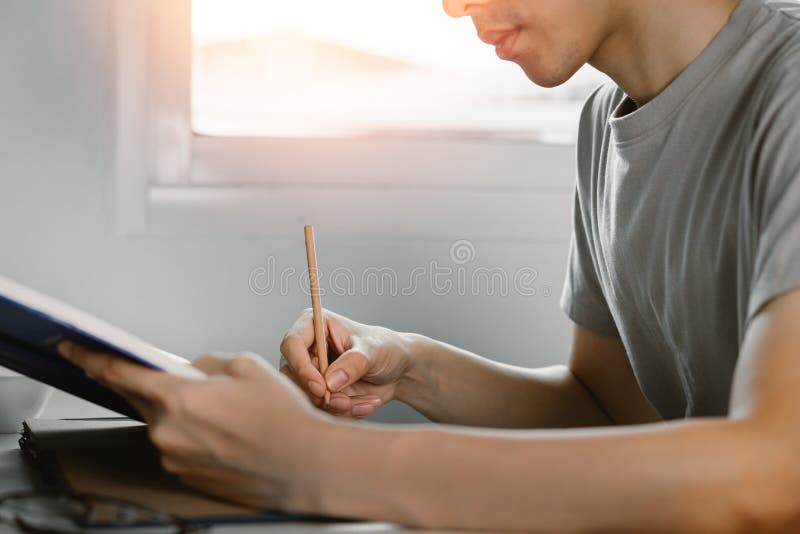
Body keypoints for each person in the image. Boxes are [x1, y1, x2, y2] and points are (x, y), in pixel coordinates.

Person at [61, 0, 800, 531]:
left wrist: (318, 462)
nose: (453, 7)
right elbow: (608, 414)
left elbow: (774, 475)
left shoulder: (788, 96)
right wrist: (411, 364)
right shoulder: (604, 128)